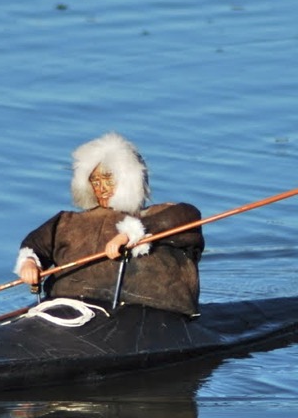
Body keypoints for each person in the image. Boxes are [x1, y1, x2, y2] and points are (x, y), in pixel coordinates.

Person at [14, 133, 204, 316]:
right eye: (95, 181)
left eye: (108, 179)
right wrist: (30, 263)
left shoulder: (160, 215)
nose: (101, 188)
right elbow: (36, 244)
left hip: (150, 310)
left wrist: (131, 233)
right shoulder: (67, 222)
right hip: (70, 306)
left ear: (128, 179)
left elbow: (187, 216)